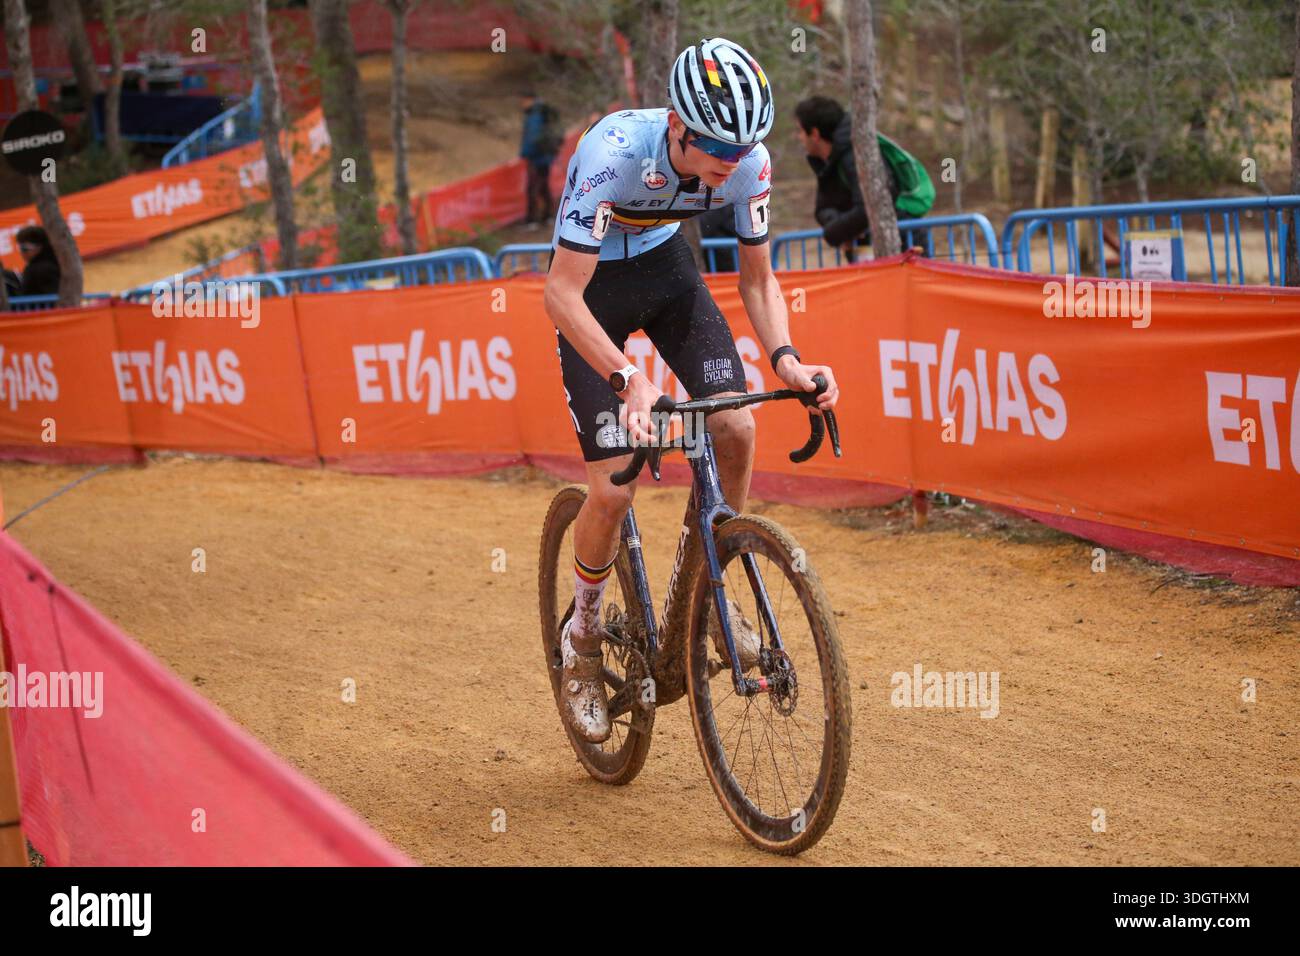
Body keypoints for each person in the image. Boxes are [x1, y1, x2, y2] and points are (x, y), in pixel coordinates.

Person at [544, 37, 839, 743]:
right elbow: (559, 294)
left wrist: (788, 362)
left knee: (736, 428)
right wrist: (628, 378)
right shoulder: (612, 151)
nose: (731, 166)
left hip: (668, 276)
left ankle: (707, 597)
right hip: (594, 297)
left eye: (745, 152)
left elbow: (760, 281)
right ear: (677, 125)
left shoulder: (749, 165)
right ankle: (581, 640)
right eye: (718, 150)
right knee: (613, 492)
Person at [794, 96, 928, 259]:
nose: (798, 137)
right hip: (869, 252)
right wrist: (844, 228)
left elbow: (870, 205)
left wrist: (836, 232)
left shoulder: (857, 154)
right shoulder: (826, 161)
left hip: (906, 244)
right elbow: (822, 209)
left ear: (814, 133)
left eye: (800, 130)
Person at [520, 92, 561, 229]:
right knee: (543, 187)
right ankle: (548, 215)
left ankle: (532, 220)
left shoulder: (535, 116)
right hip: (545, 156)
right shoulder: (543, 113)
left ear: (530, 99)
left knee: (533, 188)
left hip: (537, 158)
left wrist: (525, 153)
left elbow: (532, 138)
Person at [14, 225, 60, 296]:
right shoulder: (57, 263)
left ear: (39, 247)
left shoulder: (41, 269)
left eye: (24, 249)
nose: (21, 253)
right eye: (19, 248)